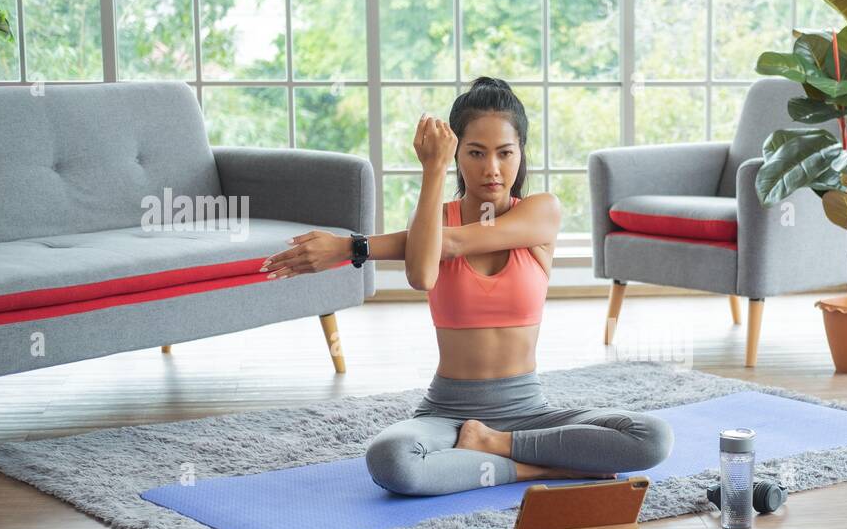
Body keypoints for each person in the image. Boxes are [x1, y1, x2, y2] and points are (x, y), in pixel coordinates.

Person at [258, 76, 674, 496]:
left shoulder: (541, 212)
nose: (491, 169)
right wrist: (432, 170)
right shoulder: (433, 222)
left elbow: (452, 243)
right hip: (446, 411)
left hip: (527, 410)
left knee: (651, 437)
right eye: (475, 153)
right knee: (391, 460)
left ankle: (494, 446)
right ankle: (537, 468)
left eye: (505, 153)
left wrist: (351, 246)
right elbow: (422, 274)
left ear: (521, 153)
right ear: (457, 154)